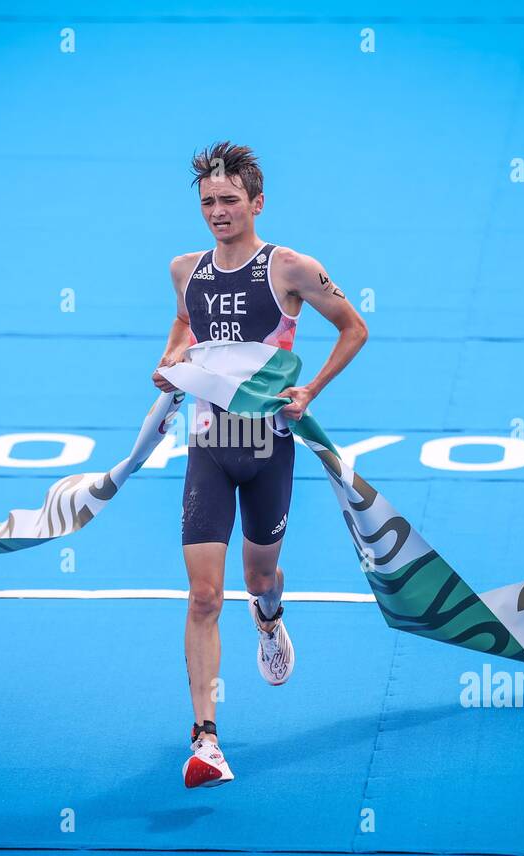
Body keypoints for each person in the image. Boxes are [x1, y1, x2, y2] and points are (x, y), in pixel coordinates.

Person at [152, 142, 368, 788]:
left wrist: (309, 392)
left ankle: (270, 618)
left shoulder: (293, 269)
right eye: (208, 203)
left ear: (256, 203)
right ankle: (206, 739)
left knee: (259, 576)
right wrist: (167, 365)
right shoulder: (185, 269)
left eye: (229, 201)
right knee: (203, 595)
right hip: (209, 452)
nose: (218, 212)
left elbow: (353, 327)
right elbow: (184, 326)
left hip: (270, 450)